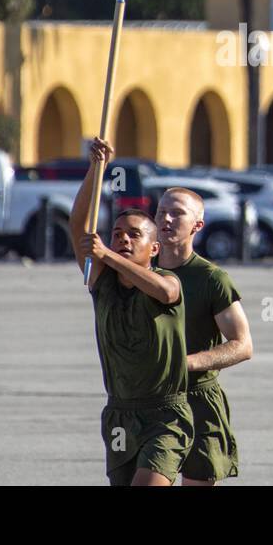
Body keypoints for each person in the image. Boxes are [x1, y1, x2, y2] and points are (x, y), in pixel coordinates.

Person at [72, 138, 192, 486]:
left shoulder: (166, 280)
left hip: (165, 415)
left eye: (133, 235)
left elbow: (166, 293)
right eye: (117, 234)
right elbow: (78, 223)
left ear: (154, 248)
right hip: (120, 413)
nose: (123, 239)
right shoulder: (103, 281)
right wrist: (97, 168)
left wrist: (106, 253)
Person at [154, 186, 253, 485]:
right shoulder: (139, 272)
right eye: (160, 212)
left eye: (177, 213)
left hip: (198, 400)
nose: (166, 219)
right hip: (148, 400)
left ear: (198, 225)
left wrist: (185, 363)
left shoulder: (212, 279)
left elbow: (242, 345)